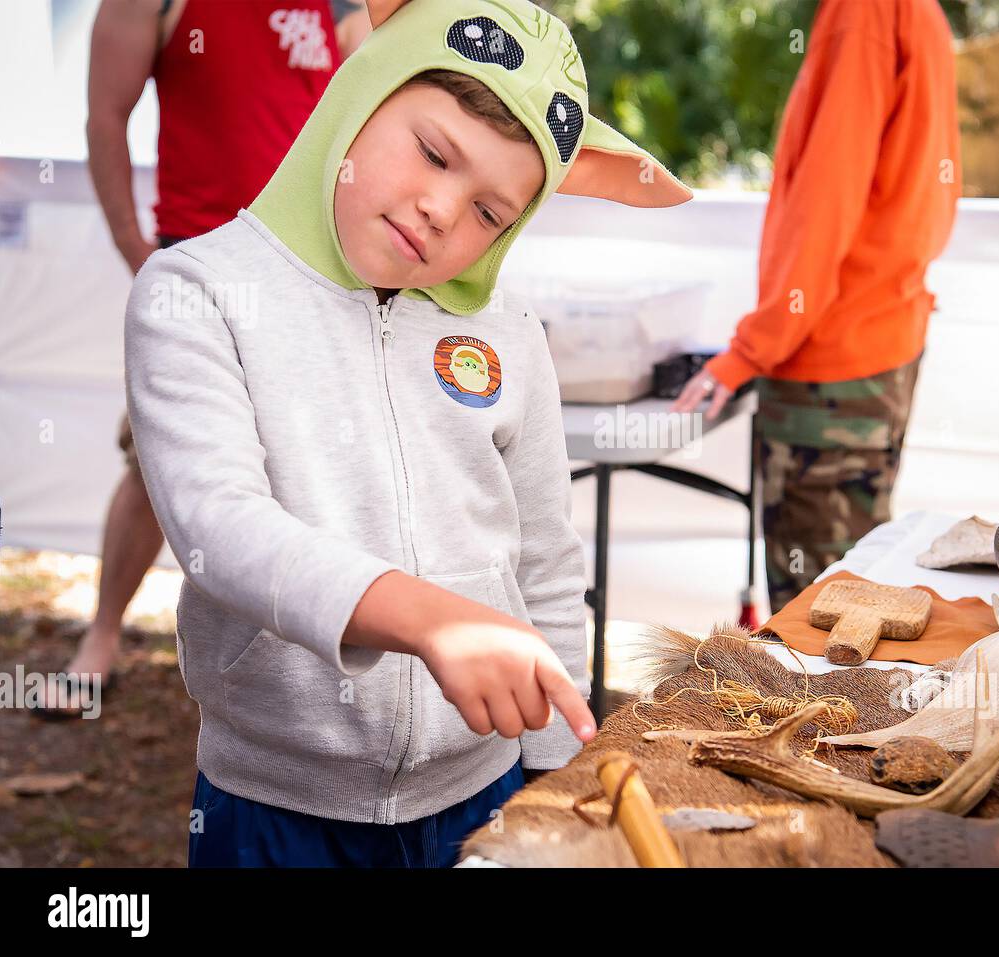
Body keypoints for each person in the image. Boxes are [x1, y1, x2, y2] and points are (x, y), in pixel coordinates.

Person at [124, 0, 692, 867]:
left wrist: (556, 770)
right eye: (433, 153)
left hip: (487, 792)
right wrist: (426, 616)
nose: (438, 210)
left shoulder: (510, 334)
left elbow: (544, 561)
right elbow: (219, 527)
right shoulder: (195, 291)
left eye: (489, 214)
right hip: (275, 809)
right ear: (362, 90)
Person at [38, 0, 369, 718]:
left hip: (316, 273)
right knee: (156, 466)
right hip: (205, 269)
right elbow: (104, 117)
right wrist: (136, 249)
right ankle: (102, 638)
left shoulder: (342, 4)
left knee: (312, 466)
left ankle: (302, 664)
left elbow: (367, 121)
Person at [672, 0, 961, 613]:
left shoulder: (863, 14)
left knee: (821, 623)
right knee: (854, 602)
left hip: (830, 359)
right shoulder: (918, 14)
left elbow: (827, 199)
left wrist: (750, 350)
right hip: (883, 334)